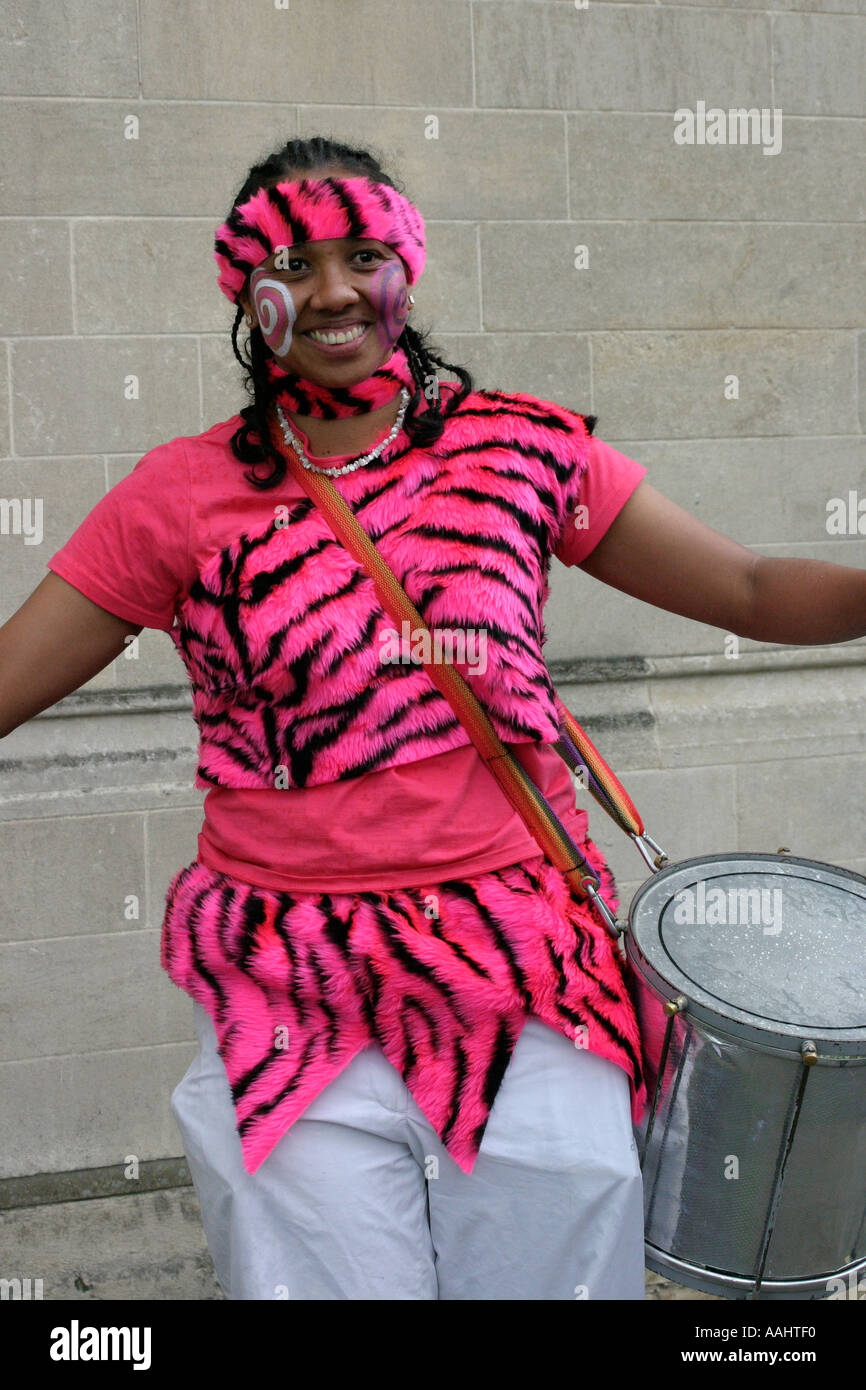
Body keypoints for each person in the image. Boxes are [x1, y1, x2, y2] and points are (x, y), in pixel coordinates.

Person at [1, 136, 864, 1302]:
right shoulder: (176, 495)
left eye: (359, 254)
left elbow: (752, 590)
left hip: (525, 988)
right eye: (292, 262)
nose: (332, 290)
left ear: (404, 266)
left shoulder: (517, 447)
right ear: (246, 296)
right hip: (286, 1001)